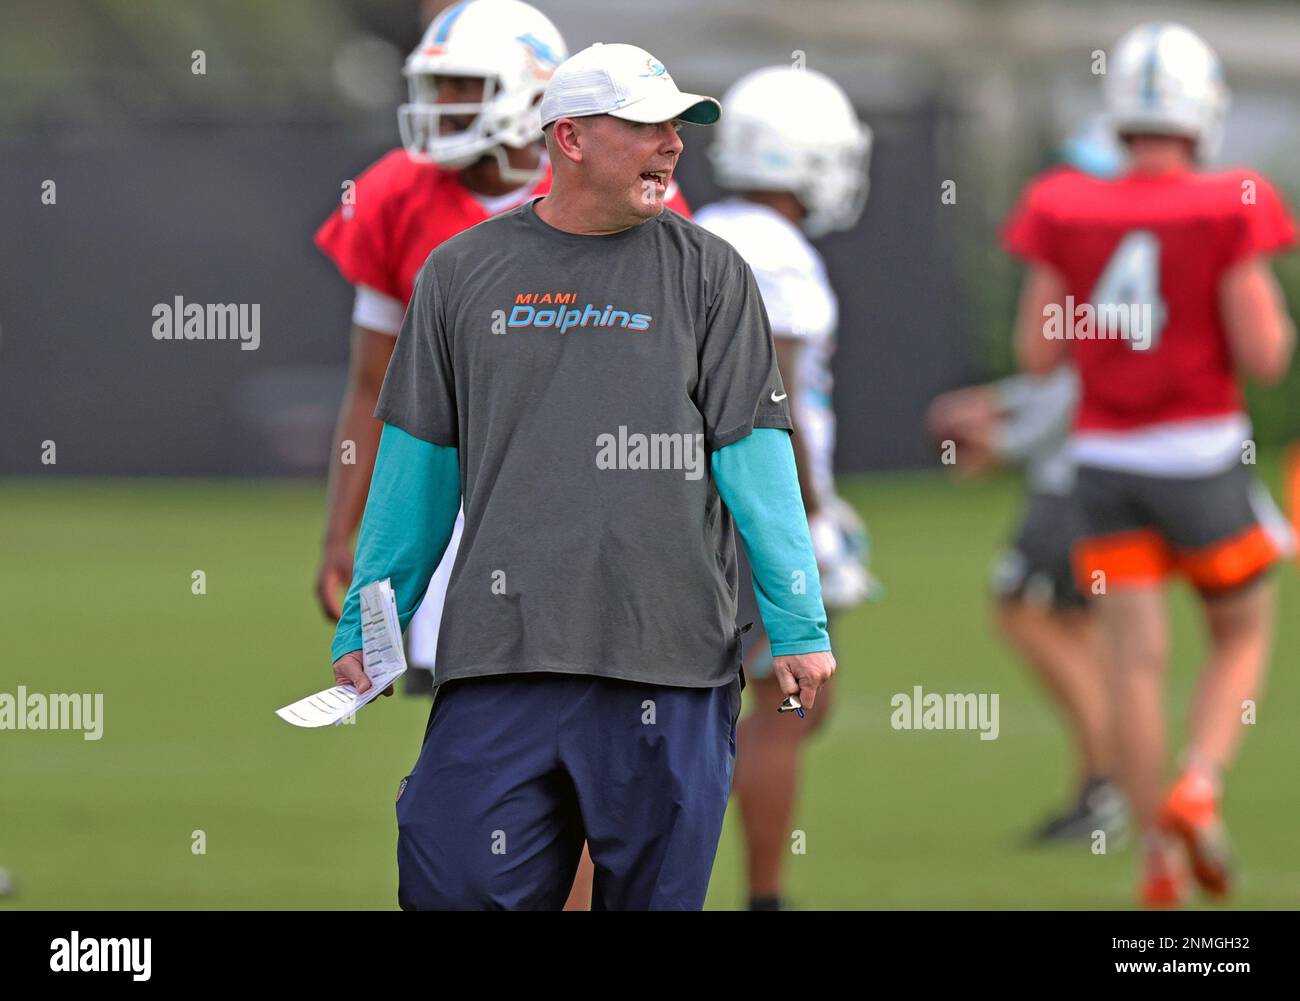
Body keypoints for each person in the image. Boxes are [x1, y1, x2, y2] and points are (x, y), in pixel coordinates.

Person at [329, 41, 836, 910]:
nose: (672, 144)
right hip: (501, 658)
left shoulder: (713, 275)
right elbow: (418, 470)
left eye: (678, 126)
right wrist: (369, 623)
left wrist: (798, 622)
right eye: (644, 127)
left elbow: (756, 460)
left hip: (670, 664)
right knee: (449, 882)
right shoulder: (459, 275)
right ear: (569, 138)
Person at [1004, 22, 1296, 906]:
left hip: (1103, 463)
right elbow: (1266, 353)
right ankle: (1195, 785)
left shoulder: (1063, 201)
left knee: (1135, 664)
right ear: (1203, 111)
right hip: (1202, 455)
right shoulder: (1229, 199)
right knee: (1242, 629)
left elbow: (1038, 350)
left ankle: (1151, 863)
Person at [694, 65, 875, 910]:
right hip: (753, 508)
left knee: (676, 712)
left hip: (673, 504)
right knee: (786, 701)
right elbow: (781, 393)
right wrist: (809, 512)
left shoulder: (690, 231)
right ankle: (764, 894)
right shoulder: (785, 256)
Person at [927, 368, 1126, 844]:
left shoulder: (1086, 307)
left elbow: (1070, 386)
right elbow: (1058, 377)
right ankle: (1099, 793)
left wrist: (992, 439)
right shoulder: (1090, 318)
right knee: (1079, 630)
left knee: (1019, 614)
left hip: (1066, 504)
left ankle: (1106, 778)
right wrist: (991, 400)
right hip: (1097, 496)